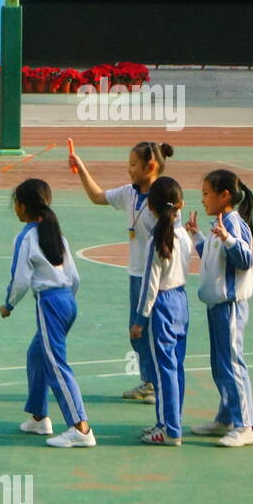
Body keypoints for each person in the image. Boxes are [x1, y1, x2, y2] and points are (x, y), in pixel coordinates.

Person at [70, 139, 174, 403]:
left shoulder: (163, 200)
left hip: (157, 278)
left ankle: (159, 383)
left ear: (150, 166)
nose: (128, 169)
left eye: (132, 164)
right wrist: (81, 168)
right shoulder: (129, 193)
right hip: (136, 275)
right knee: (137, 331)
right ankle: (149, 381)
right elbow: (97, 197)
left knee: (153, 332)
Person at [0, 179, 96, 448]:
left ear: (22, 207)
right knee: (37, 354)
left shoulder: (26, 237)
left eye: (15, 203)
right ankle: (39, 417)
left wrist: (8, 305)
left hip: (50, 302)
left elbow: (20, 279)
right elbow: (74, 277)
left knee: (56, 365)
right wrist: (66, 302)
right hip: (67, 300)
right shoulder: (57, 234)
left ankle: (81, 427)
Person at [188, 169, 253, 447]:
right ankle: (227, 416)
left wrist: (227, 238)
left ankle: (245, 425)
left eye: (206, 193)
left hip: (230, 306)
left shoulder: (234, 225)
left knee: (232, 363)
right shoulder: (220, 224)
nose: (203, 199)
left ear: (224, 195)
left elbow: (245, 259)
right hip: (216, 305)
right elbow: (215, 259)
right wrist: (197, 238)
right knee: (220, 364)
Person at [132, 176, 193, 446]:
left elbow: (150, 284)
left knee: (162, 370)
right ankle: (170, 422)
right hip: (181, 300)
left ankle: (170, 430)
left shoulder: (158, 239)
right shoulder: (183, 235)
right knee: (176, 366)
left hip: (162, 306)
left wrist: (139, 320)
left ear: (151, 208)